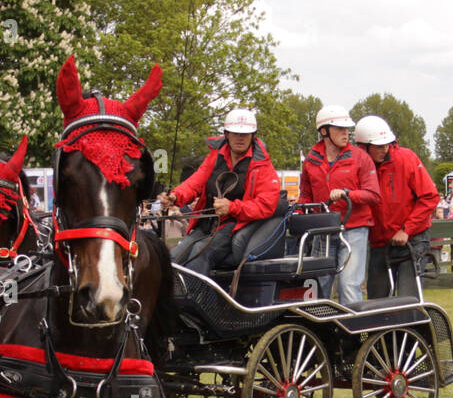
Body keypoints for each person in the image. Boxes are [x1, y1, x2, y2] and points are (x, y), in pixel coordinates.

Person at [158, 108, 280, 277]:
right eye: (235, 133)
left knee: (199, 254)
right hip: (207, 225)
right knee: (172, 258)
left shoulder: (262, 166)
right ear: (226, 134)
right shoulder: (215, 156)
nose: (240, 138)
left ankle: (197, 303)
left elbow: (267, 205)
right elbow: (196, 181)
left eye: (245, 134)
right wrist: (175, 196)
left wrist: (232, 208)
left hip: (234, 227)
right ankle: (171, 300)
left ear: (253, 136)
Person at [297, 105, 380, 304]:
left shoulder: (360, 158)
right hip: (323, 230)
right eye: (340, 129)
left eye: (347, 129)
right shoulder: (311, 160)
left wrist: (347, 194)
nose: (346, 133)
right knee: (319, 285)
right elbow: (305, 196)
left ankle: (355, 335)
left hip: (354, 229)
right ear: (324, 131)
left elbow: (374, 194)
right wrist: (301, 212)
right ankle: (322, 334)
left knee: (349, 285)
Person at [353, 115, 438, 298]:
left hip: (412, 239)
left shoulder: (406, 159)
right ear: (364, 147)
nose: (384, 149)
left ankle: (408, 327)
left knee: (408, 298)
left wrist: (407, 229)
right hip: (380, 242)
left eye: (387, 144)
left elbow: (430, 197)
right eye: (378, 146)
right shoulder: (358, 167)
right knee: (377, 299)